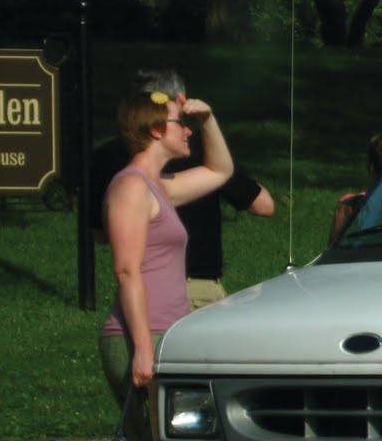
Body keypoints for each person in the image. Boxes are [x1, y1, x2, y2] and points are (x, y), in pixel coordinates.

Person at [100, 88, 234, 441]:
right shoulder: (131, 188)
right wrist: (141, 347)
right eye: (180, 124)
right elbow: (127, 269)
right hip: (141, 337)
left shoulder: (158, 186)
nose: (188, 132)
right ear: (155, 129)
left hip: (163, 336)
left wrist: (210, 115)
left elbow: (221, 171)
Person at [90, 67, 274, 311]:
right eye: (180, 122)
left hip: (148, 292)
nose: (187, 130)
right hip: (184, 291)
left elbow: (100, 235)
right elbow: (263, 204)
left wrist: (207, 119)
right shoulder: (139, 183)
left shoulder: (110, 160)